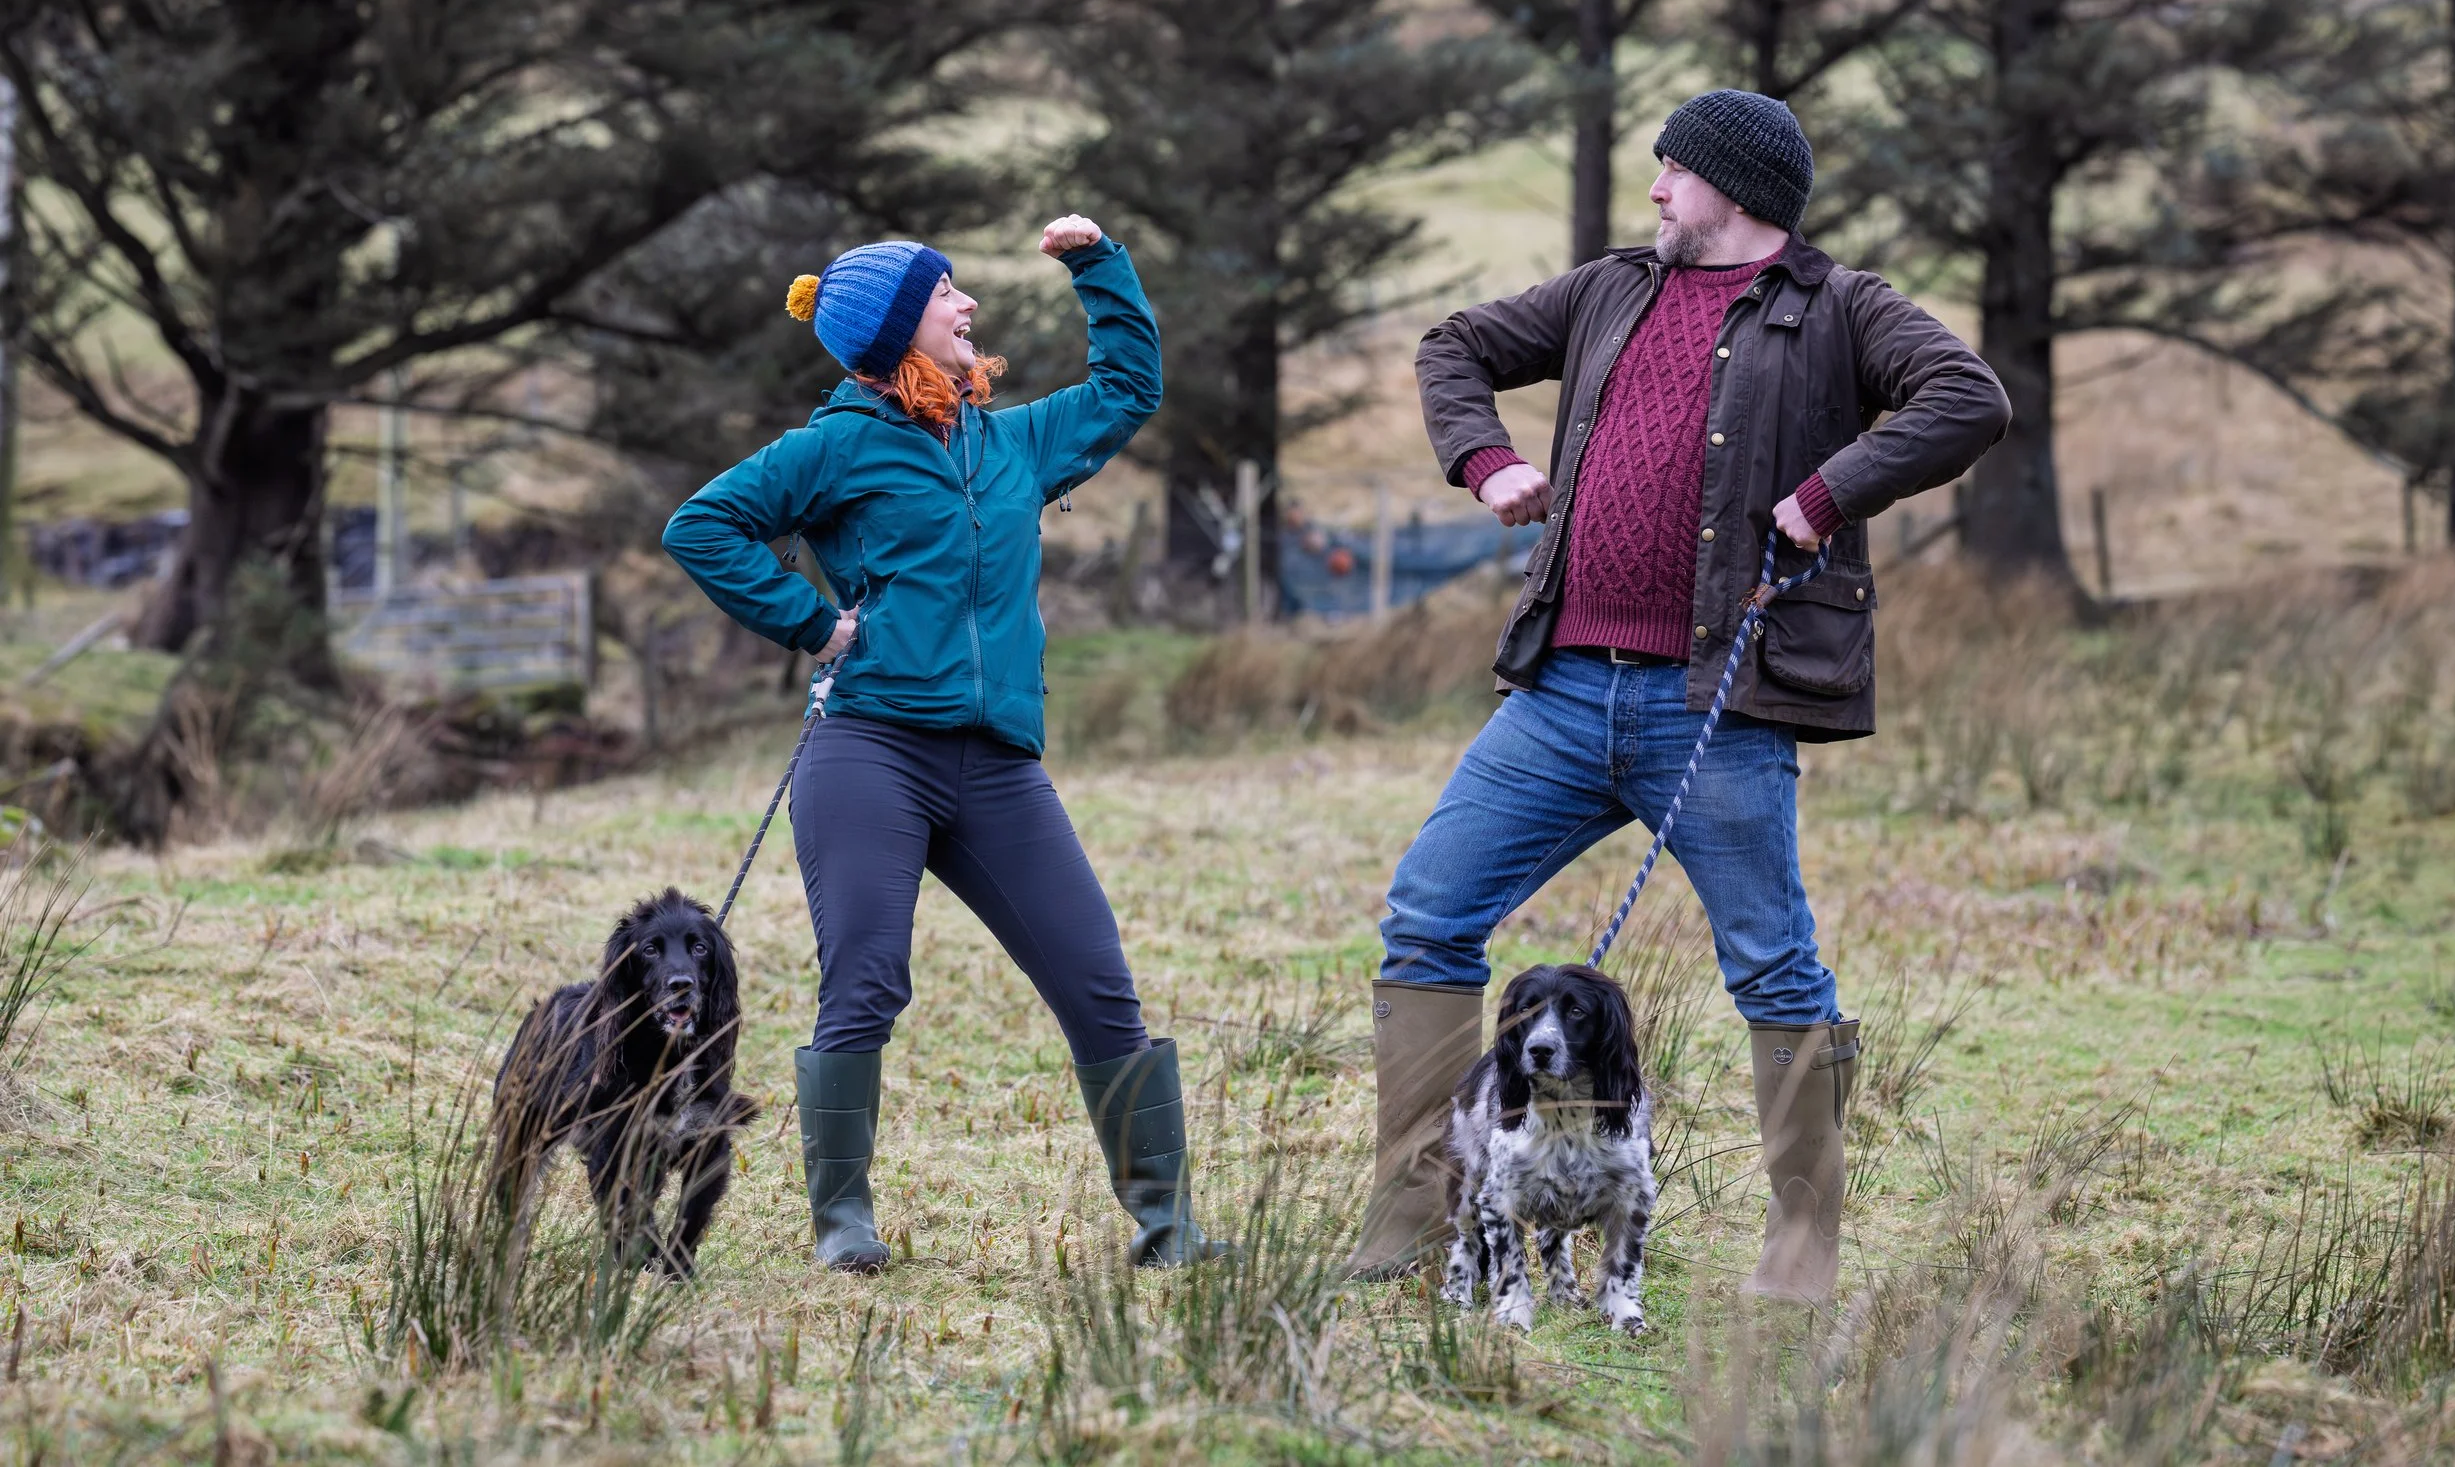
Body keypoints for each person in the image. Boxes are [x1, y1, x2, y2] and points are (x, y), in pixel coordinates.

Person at [1349, 91, 2011, 1302]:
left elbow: (1967, 397)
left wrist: (1829, 492)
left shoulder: (1841, 307)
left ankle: (1800, 1253)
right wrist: (1485, 460)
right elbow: (1454, 344)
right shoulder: (1609, 287)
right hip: (1558, 692)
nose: (1654, 189)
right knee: (1427, 915)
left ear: (1735, 187)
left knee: (1774, 971)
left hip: (1716, 706)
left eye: (1672, 170)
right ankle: (1417, 1227)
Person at [663, 215, 1224, 1273]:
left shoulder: (1011, 442)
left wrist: (1097, 264)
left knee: (1098, 982)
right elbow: (701, 524)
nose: (967, 306)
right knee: (867, 981)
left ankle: (1169, 1224)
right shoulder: (836, 445)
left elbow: (1127, 388)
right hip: (868, 752)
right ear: (894, 331)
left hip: (999, 765)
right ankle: (842, 1223)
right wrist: (810, 621)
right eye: (944, 295)